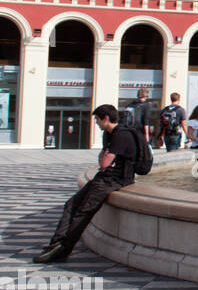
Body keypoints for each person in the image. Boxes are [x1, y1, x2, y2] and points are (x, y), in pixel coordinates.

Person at [34, 104, 137, 263]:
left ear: (106, 119)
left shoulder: (121, 135)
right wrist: (105, 156)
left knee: (83, 212)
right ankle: (56, 244)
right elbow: (104, 161)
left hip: (114, 180)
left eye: (97, 120)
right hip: (104, 178)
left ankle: (63, 250)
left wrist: (105, 156)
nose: (96, 123)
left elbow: (103, 162)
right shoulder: (110, 134)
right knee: (70, 205)